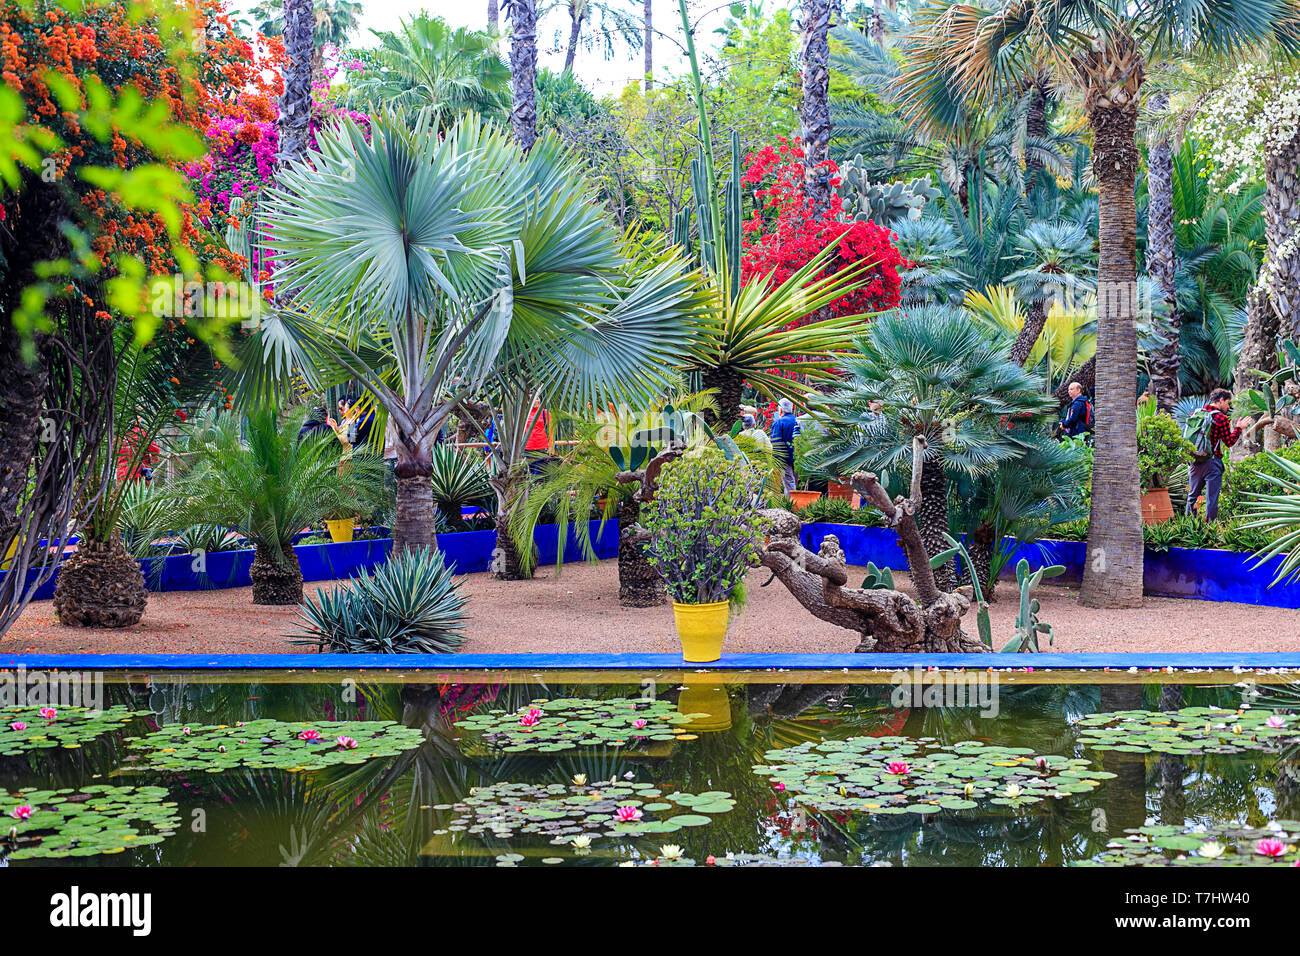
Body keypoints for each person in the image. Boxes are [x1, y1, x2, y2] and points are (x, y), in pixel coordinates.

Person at [1187, 388, 1252, 521]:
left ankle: (1188, 527)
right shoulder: (1221, 418)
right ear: (1221, 400)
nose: (1228, 407)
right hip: (1212, 462)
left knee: (1192, 496)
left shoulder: (1195, 413)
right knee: (1212, 498)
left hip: (1195, 461)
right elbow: (1229, 442)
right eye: (1228, 403)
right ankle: (1211, 529)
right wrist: (1239, 428)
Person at [770, 397, 801, 493]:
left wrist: (776, 459)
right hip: (798, 457)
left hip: (784, 458)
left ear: (780, 409)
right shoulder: (797, 420)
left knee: (789, 482)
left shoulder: (779, 422)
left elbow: (776, 441)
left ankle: (791, 505)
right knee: (794, 481)